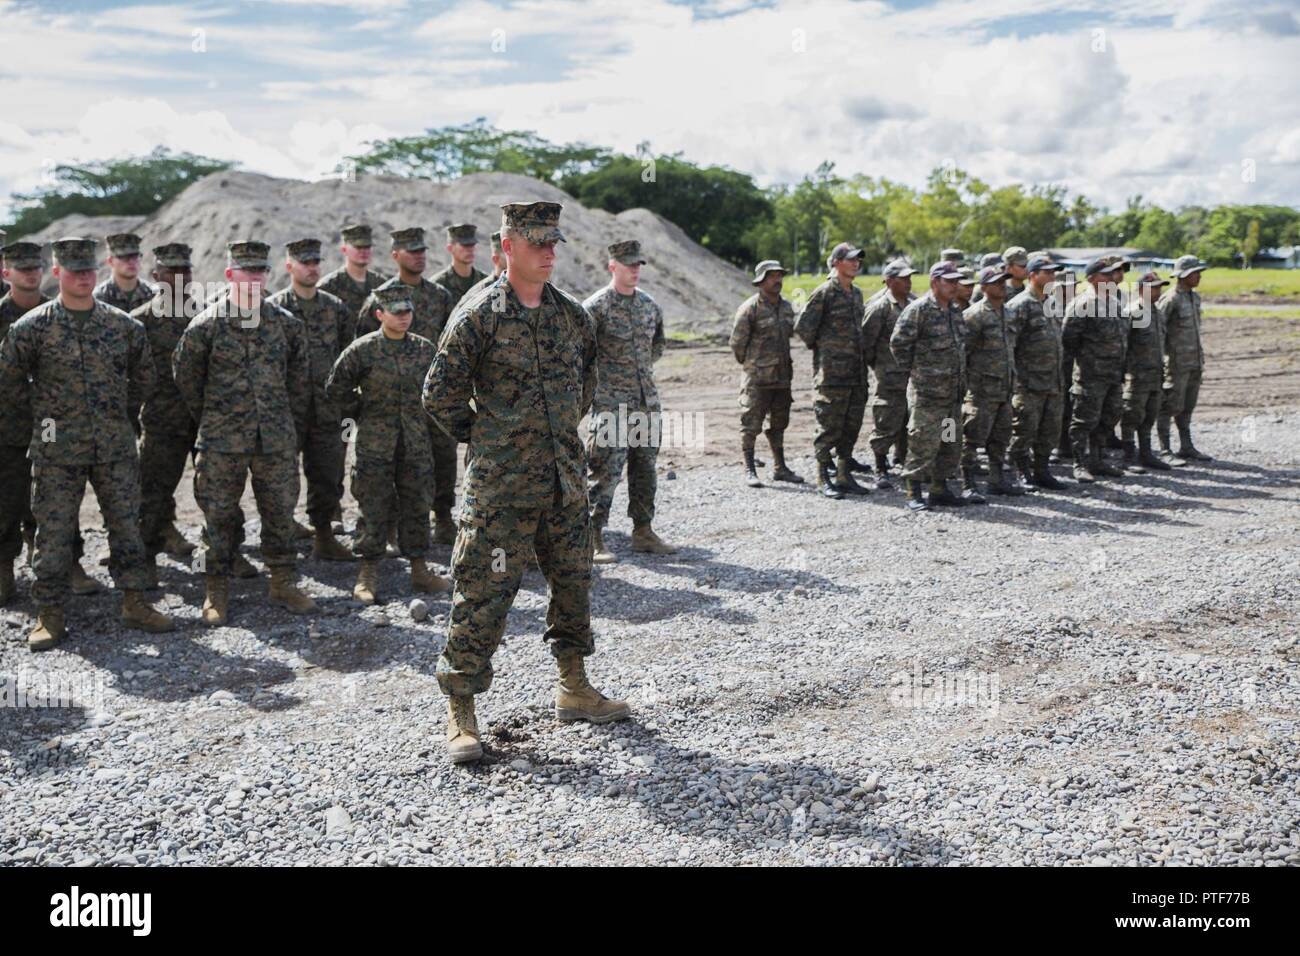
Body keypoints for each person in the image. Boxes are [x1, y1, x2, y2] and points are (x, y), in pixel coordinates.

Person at [423, 200, 630, 765]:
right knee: (483, 593)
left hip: (563, 480)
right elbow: (438, 395)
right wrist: (491, 438)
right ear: (507, 247)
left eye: (554, 242)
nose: (548, 252)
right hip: (500, 491)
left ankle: (574, 686)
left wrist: (554, 434)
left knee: (573, 583)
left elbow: (585, 384)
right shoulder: (479, 315)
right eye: (536, 242)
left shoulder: (571, 316)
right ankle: (461, 710)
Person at [0, 237, 173, 649]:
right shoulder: (31, 327)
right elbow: (7, 383)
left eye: (88, 271)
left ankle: (135, 602)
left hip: (113, 446)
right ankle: (50, 614)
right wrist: (44, 422)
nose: (82, 278)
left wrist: (120, 416)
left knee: (126, 527)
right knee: (53, 532)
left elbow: (145, 377)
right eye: (74, 271)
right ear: (57, 273)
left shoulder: (122, 325)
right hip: (57, 450)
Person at [173, 240, 317, 625]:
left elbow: (300, 385)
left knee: (280, 513)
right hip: (222, 440)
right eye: (246, 271)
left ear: (268, 275)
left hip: (275, 438)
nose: (253, 278)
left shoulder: (286, 324)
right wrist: (214, 419)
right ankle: (216, 588)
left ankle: (283, 579)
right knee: (217, 516)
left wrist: (287, 427)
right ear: (229, 275)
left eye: (260, 271)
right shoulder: (205, 326)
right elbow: (188, 382)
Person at [326, 286, 451, 604]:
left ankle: (420, 569)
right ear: (379, 314)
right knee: (373, 506)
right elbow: (336, 387)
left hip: (415, 444)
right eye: (396, 312)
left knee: (417, 505)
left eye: (407, 311)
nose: (403, 317)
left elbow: (439, 391)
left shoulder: (424, 350)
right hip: (375, 444)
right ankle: (368, 571)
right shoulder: (362, 350)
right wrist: (361, 412)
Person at [358, 228, 458, 545]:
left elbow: (452, 344)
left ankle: (442, 518)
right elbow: (362, 346)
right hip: (393, 401)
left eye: (422, 250)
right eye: (411, 251)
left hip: (434, 398)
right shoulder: (379, 299)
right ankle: (386, 527)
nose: (419, 256)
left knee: (443, 457)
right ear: (395, 256)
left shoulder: (439, 296)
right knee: (392, 462)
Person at [585, 239, 676, 563]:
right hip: (611, 404)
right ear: (613, 266)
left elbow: (658, 345)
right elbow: (581, 354)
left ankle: (643, 531)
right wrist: (606, 383)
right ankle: (593, 536)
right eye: (629, 265)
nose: (635, 270)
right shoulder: (595, 308)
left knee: (645, 469)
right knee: (605, 470)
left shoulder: (649, 305)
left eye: (638, 265)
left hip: (646, 403)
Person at [266, 238, 354, 560]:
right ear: (289, 267)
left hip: (328, 411)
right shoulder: (273, 310)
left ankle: (324, 534)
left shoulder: (336, 309)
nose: (312, 268)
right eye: (305, 263)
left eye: (316, 263)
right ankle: (281, 538)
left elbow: (346, 355)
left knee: (328, 474)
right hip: (287, 410)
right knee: (281, 477)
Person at [132, 243, 202, 564]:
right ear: (155, 275)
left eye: (184, 270)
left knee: (216, 492)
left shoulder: (204, 317)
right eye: (171, 271)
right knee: (153, 495)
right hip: (161, 423)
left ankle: (221, 555)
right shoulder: (138, 322)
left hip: (202, 422)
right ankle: (143, 561)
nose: (179, 277)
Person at [890, 260, 971, 510]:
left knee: (949, 441)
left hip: (952, 395)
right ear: (935, 282)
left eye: (957, 281)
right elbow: (898, 343)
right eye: (950, 281)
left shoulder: (955, 311)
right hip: (928, 395)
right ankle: (913, 491)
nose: (954, 286)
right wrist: (918, 373)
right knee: (922, 441)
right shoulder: (920, 309)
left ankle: (939, 487)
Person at [794, 242, 869, 498]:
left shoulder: (856, 294)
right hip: (832, 375)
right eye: (850, 259)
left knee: (851, 426)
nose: (856, 263)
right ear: (836, 262)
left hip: (856, 373)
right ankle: (822, 474)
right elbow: (804, 327)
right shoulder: (825, 292)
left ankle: (844, 473)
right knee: (828, 426)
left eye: (858, 260)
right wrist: (828, 349)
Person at [0, 240, 48, 604]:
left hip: (51, 425)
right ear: (7, 273)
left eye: (35, 268)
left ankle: (50, 564)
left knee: (51, 500)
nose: (30, 274)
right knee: (6, 501)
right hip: (5, 428)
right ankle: (3, 568)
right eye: (23, 269)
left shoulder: (55, 313)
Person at [729, 260, 801, 488]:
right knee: (750, 424)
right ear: (761, 281)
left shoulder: (787, 307)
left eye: (780, 275)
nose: (777, 280)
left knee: (779, 423)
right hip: (757, 379)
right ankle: (749, 468)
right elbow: (737, 344)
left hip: (782, 378)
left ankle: (780, 467)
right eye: (772, 276)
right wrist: (752, 365)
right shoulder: (750, 308)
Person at [1062, 257, 1128, 483]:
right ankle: (1079, 463)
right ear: (1091, 279)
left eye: (1112, 274)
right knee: (1083, 421)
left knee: (1109, 417)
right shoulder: (1082, 304)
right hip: (1090, 375)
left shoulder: (1115, 303)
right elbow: (1068, 340)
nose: (1111, 278)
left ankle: (1098, 460)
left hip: (1113, 374)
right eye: (1105, 275)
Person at [1006, 255, 1066, 490]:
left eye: (1054, 273)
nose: (1052, 277)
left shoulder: (1052, 303)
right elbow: (1010, 344)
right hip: (1028, 382)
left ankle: (1042, 470)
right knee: (1024, 429)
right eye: (1047, 273)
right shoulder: (1020, 305)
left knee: (1050, 429)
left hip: (1053, 380)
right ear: (1032, 275)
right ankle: (1021, 472)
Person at [961, 265, 1022, 497]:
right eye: (996, 282)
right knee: (972, 437)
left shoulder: (1009, 313)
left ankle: (997, 480)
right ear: (984, 287)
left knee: (1001, 437)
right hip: (980, 391)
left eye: (1003, 282)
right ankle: (968, 483)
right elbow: (963, 354)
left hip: (1005, 389)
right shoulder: (974, 315)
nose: (1002, 286)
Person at [860, 258, 917, 488]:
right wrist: (881, 366)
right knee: (886, 419)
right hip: (889, 374)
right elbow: (867, 343)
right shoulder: (879, 307)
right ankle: (880, 465)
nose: (908, 283)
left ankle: (904, 460)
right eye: (903, 279)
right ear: (890, 281)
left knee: (909, 419)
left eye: (910, 278)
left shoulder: (914, 304)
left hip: (913, 376)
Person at [1157, 255, 1212, 463]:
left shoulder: (1194, 297)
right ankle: (1164, 450)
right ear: (1184, 275)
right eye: (1195, 273)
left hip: (1194, 362)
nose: (1198, 277)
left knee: (1188, 406)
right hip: (1175, 364)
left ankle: (1186, 446)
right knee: (1169, 406)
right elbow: (1159, 330)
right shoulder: (1170, 299)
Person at [1121, 272, 1172, 473]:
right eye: (1154, 287)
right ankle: (1128, 456)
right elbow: (1123, 344)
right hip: (1137, 376)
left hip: (1155, 375)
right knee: (1132, 415)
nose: (1159, 291)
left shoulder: (1157, 312)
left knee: (1149, 415)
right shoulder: (1133, 312)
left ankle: (1146, 453)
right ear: (1142, 289)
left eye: (1160, 287)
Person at [318, 223, 388, 322]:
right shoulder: (328, 287)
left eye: (367, 247)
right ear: (344, 249)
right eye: (358, 247)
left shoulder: (381, 285)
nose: (363, 252)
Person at [93, 233, 156, 314]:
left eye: (135, 256)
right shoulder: (98, 298)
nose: (131, 262)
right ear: (110, 261)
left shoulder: (153, 294)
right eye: (124, 257)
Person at [430, 223, 487, 308]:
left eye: (472, 244)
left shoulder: (485, 282)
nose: (470, 249)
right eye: (465, 245)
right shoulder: (437, 285)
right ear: (450, 248)